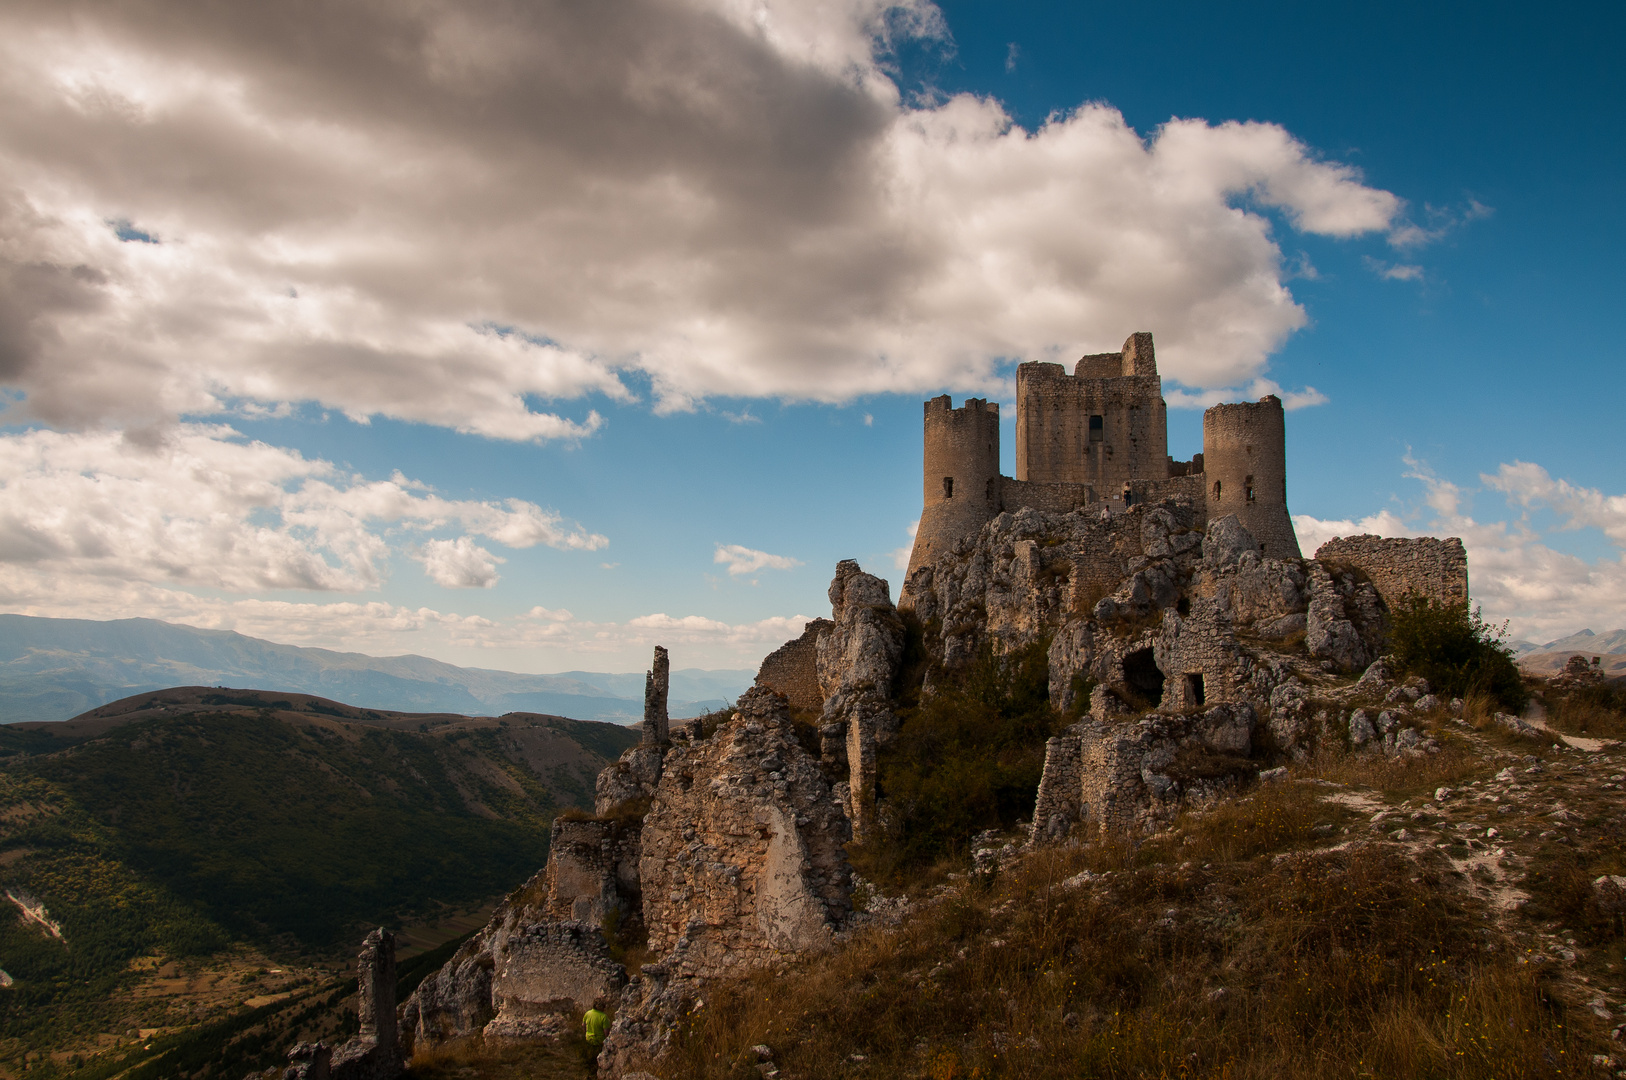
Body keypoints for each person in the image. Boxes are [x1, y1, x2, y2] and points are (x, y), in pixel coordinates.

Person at [584, 996, 610, 1063]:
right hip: (599, 1041)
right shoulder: (604, 1017)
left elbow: (583, 1025)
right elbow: (606, 1033)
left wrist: (586, 1033)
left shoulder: (587, 1013)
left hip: (588, 1039)